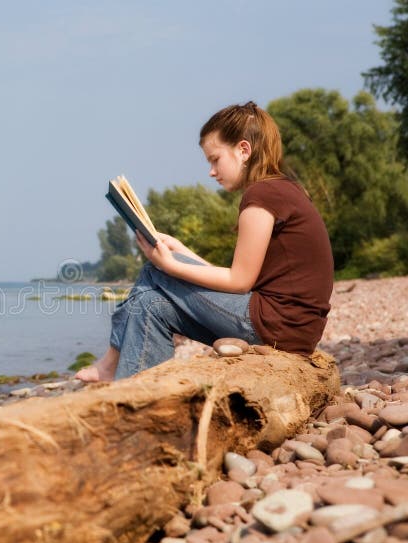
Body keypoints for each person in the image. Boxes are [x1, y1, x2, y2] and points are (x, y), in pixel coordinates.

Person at [76, 101, 334, 382]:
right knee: (150, 304)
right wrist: (182, 251)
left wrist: (170, 266)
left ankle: (109, 364)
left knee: (154, 269)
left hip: (276, 325)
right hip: (288, 326)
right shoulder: (283, 190)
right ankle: (137, 394)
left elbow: (239, 282)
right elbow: (241, 281)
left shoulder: (262, 195)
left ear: (243, 150)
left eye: (215, 159)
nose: (212, 171)